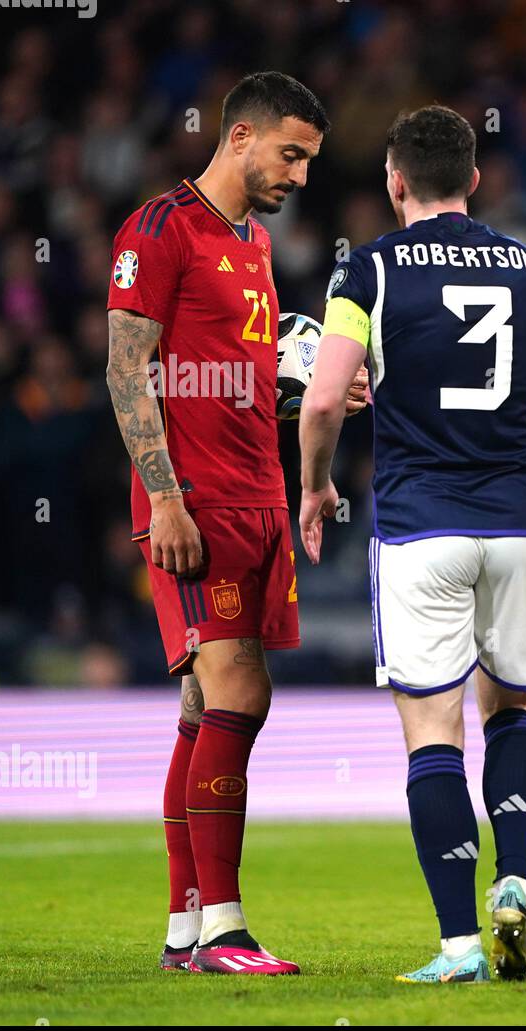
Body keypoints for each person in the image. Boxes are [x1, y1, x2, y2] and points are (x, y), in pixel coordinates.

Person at [104, 72, 360, 976]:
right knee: (240, 692)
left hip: (259, 498)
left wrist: (311, 397)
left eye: (308, 159)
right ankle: (223, 925)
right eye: (289, 152)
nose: (298, 173)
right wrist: (164, 497)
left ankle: (183, 931)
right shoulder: (161, 227)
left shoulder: (251, 242)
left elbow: (233, 381)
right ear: (240, 135)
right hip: (196, 503)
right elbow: (125, 368)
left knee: (202, 707)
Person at [298, 105, 526, 985]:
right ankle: (514, 877)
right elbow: (523, 377)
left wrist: (315, 483)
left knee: (432, 734)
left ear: (394, 181)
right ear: (475, 180)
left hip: (421, 521)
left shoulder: (364, 268)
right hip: (521, 519)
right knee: (513, 712)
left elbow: (326, 398)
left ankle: (459, 946)